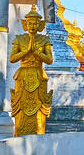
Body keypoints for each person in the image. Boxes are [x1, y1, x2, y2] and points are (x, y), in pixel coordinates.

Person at [9, 7, 54, 135]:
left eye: (35, 23)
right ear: (25, 24)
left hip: (38, 74)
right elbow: (12, 59)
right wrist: (26, 51)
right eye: (30, 23)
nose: (32, 26)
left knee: (39, 106)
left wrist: (36, 52)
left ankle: (38, 133)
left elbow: (49, 60)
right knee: (21, 106)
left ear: (40, 25)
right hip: (22, 74)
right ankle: (20, 132)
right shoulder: (19, 39)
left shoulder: (44, 40)